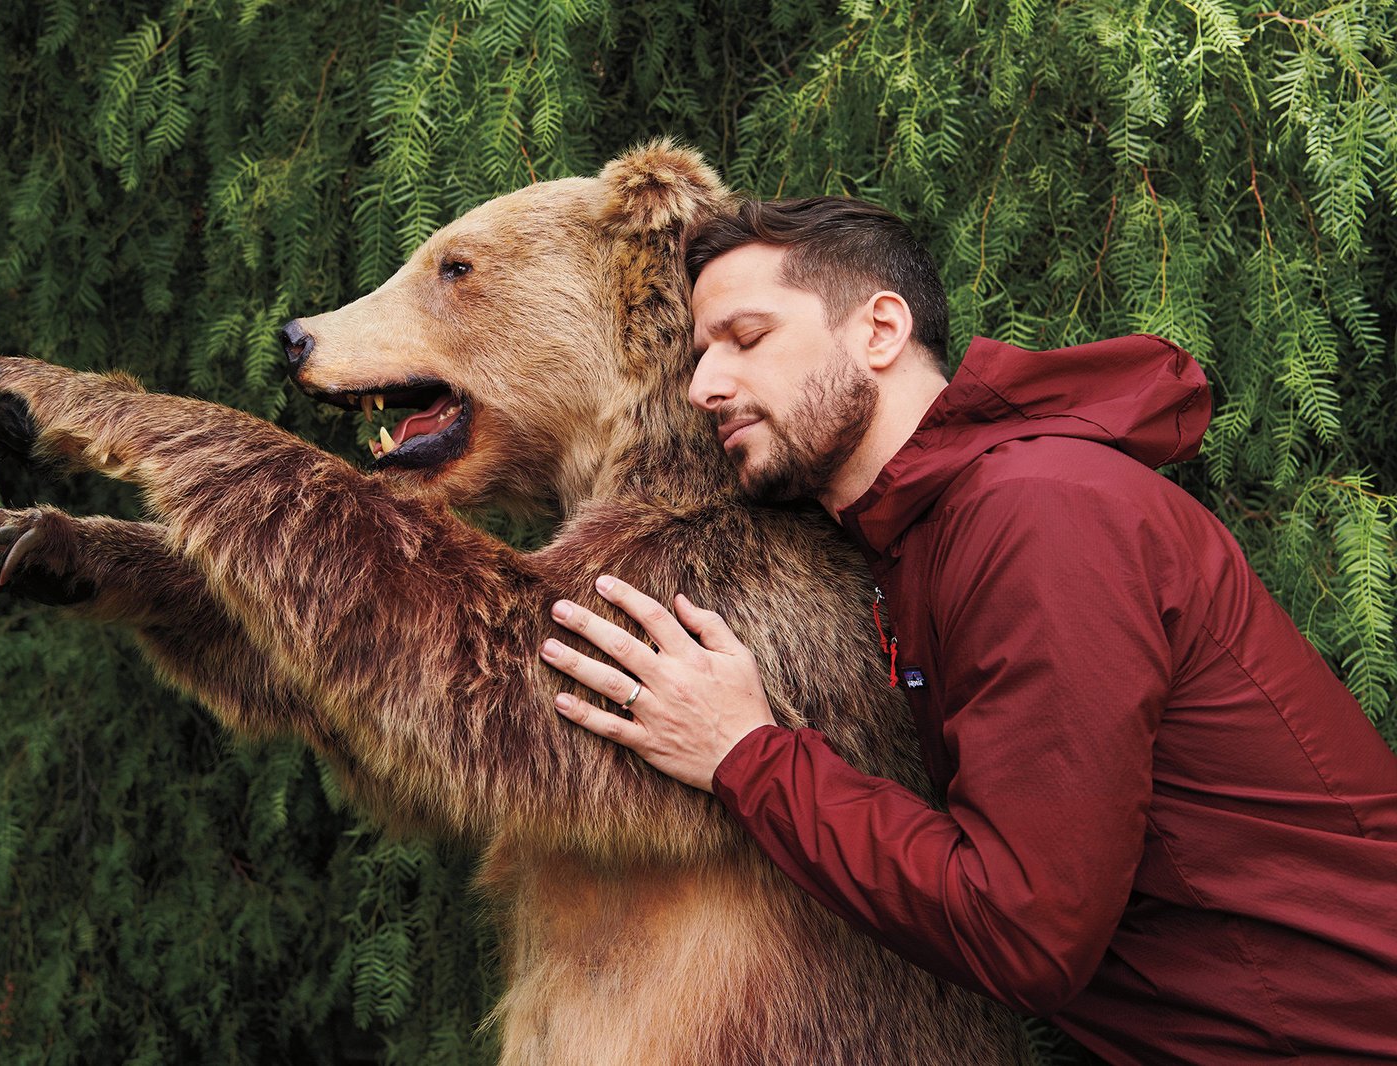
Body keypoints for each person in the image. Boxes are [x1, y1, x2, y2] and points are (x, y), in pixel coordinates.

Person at [536, 197, 1397, 1063]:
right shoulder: (924, 536)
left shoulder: (1041, 517)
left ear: (879, 330)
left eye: (746, 338)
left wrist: (746, 754)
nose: (704, 387)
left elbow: (1027, 931)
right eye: (699, 355)